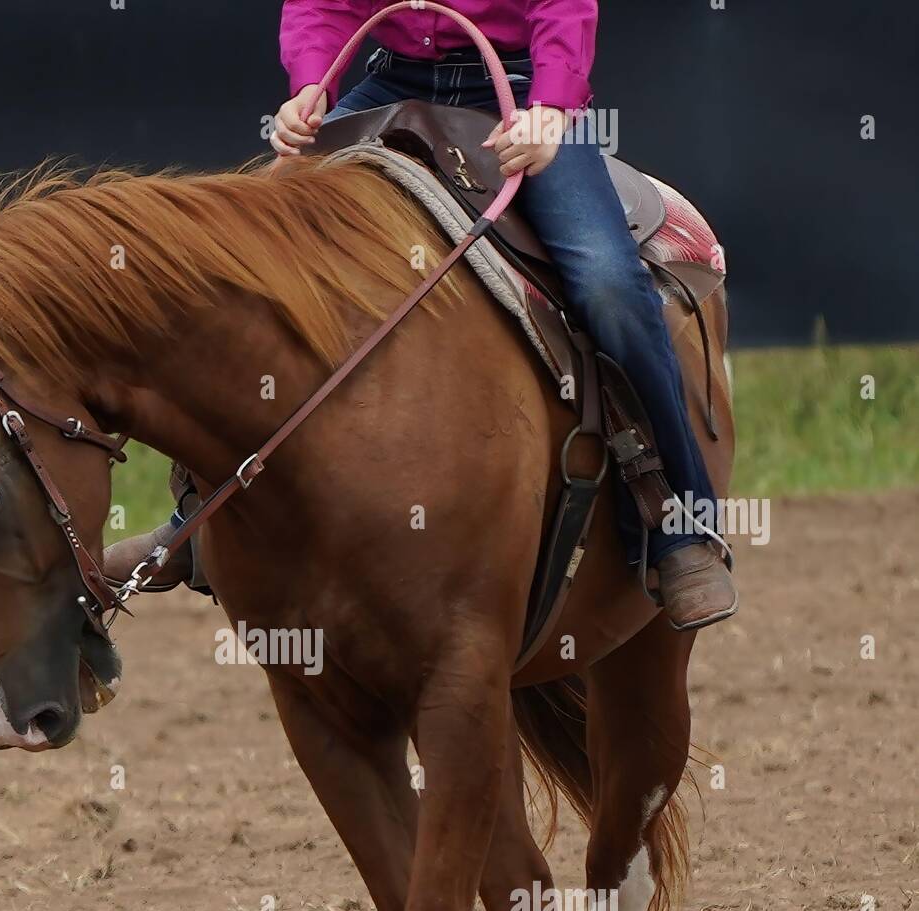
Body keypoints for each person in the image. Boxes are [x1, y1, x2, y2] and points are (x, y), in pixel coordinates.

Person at [105, 0, 736, 630]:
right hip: (393, 85)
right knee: (246, 259)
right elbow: (320, 6)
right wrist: (310, 85)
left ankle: (677, 521)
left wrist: (550, 107)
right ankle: (198, 513)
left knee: (607, 285)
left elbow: (563, 7)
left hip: (517, 90)